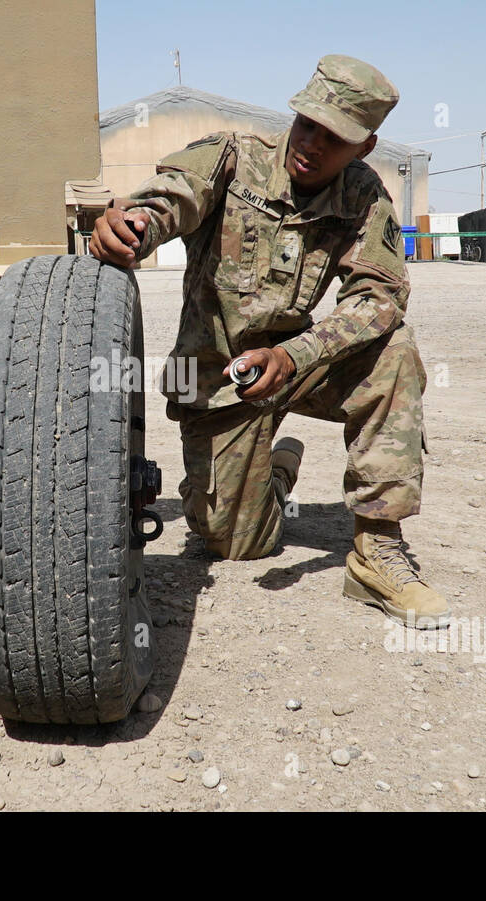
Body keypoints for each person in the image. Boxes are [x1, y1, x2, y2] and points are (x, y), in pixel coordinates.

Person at [88, 55, 450, 629]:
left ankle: (377, 550)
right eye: (307, 124)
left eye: (334, 138)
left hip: (300, 366)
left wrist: (292, 355)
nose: (311, 143)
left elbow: (378, 298)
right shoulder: (232, 159)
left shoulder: (365, 199)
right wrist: (133, 225)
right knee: (233, 544)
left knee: (394, 350)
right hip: (218, 381)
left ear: (364, 145)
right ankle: (276, 472)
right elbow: (173, 195)